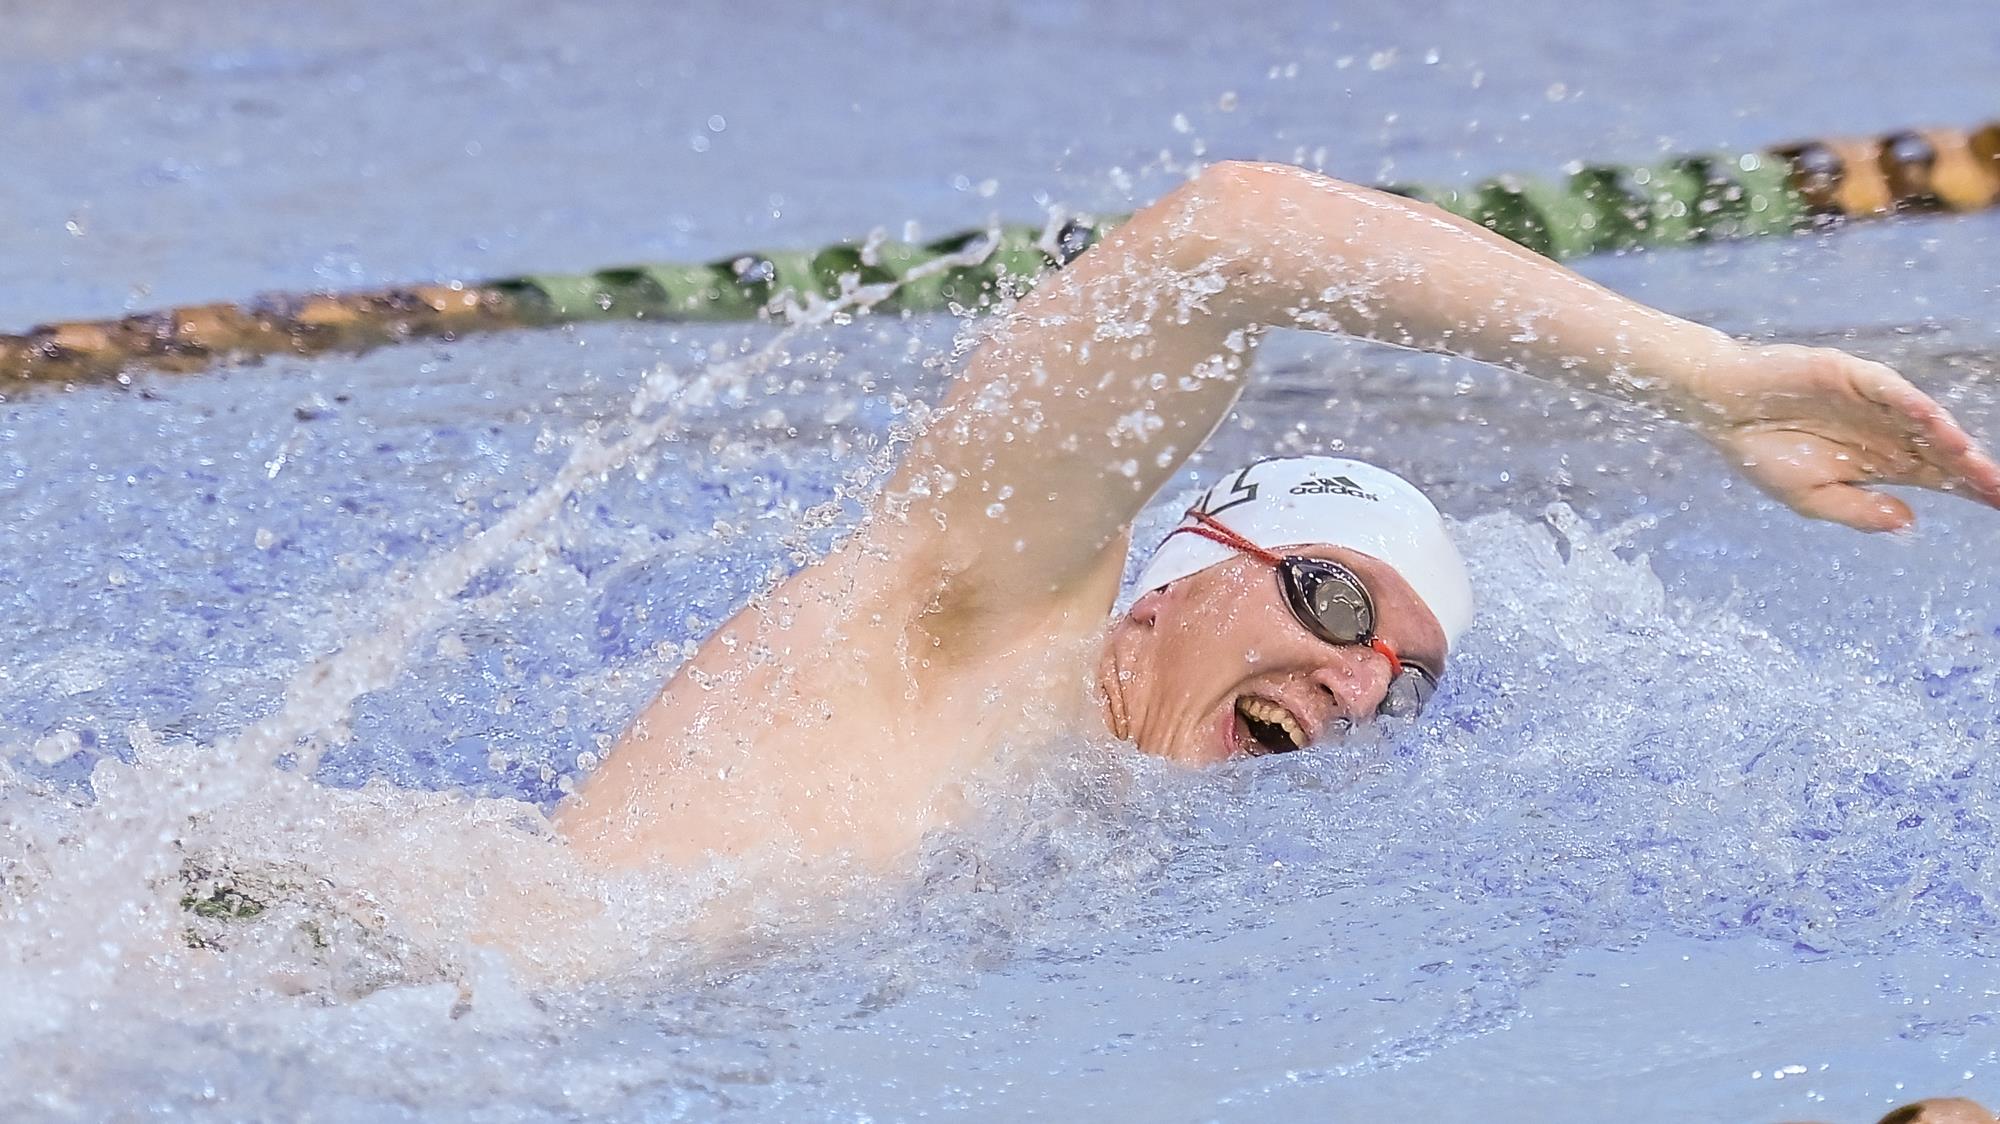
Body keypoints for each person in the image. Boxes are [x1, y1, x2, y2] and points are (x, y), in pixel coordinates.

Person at [554, 160, 2000, 869]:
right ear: (1170, 588)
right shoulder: (978, 622)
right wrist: (1706, 380)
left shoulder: (1062, 830)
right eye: (1336, 599)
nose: (1359, 682)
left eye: (1403, 681)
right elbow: (1233, 234)